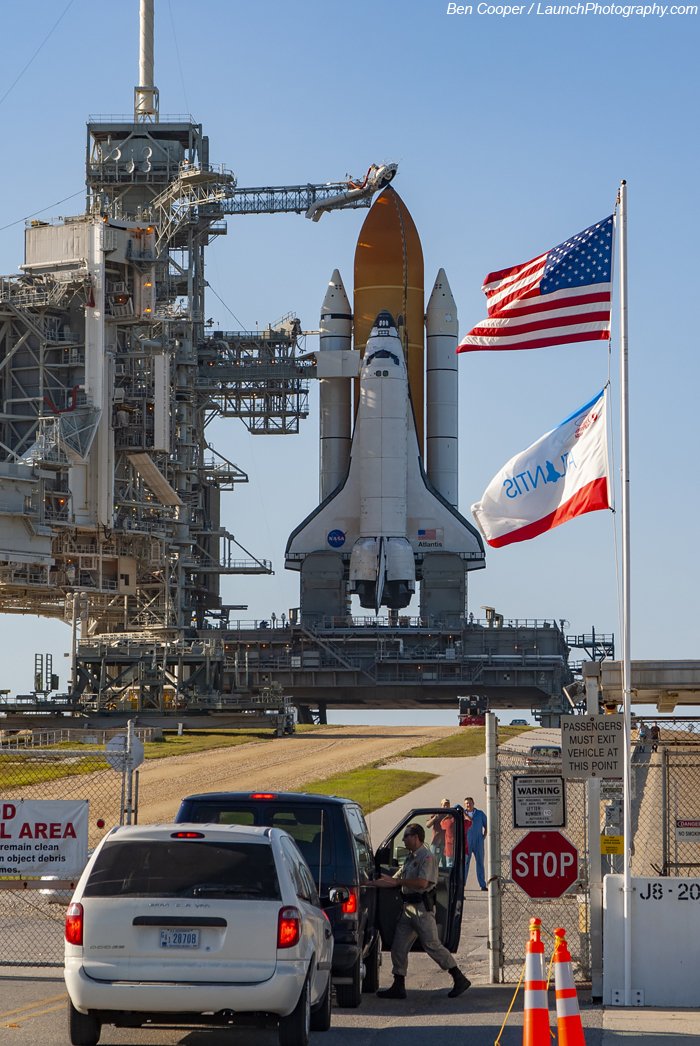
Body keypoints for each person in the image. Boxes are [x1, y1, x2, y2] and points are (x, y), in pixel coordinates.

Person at [375, 823, 471, 1000]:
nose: (404, 839)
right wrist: (370, 883)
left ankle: (458, 977)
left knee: (432, 945)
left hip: (421, 910)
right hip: (408, 910)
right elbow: (394, 879)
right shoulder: (411, 858)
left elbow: (422, 883)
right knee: (398, 947)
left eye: (406, 836)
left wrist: (398, 883)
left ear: (416, 837)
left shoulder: (427, 858)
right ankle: (398, 984)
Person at [464, 797, 487, 890]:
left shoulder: (480, 814)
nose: (468, 805)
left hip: (478, 842)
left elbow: (486, 826)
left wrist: (483, 837)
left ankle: (482, 885)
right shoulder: (462, 814)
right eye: (466, 803)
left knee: (480, 863)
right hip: (466, 842)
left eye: (469, 803)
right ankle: (462, 885)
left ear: (473, 803)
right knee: (465, 863)